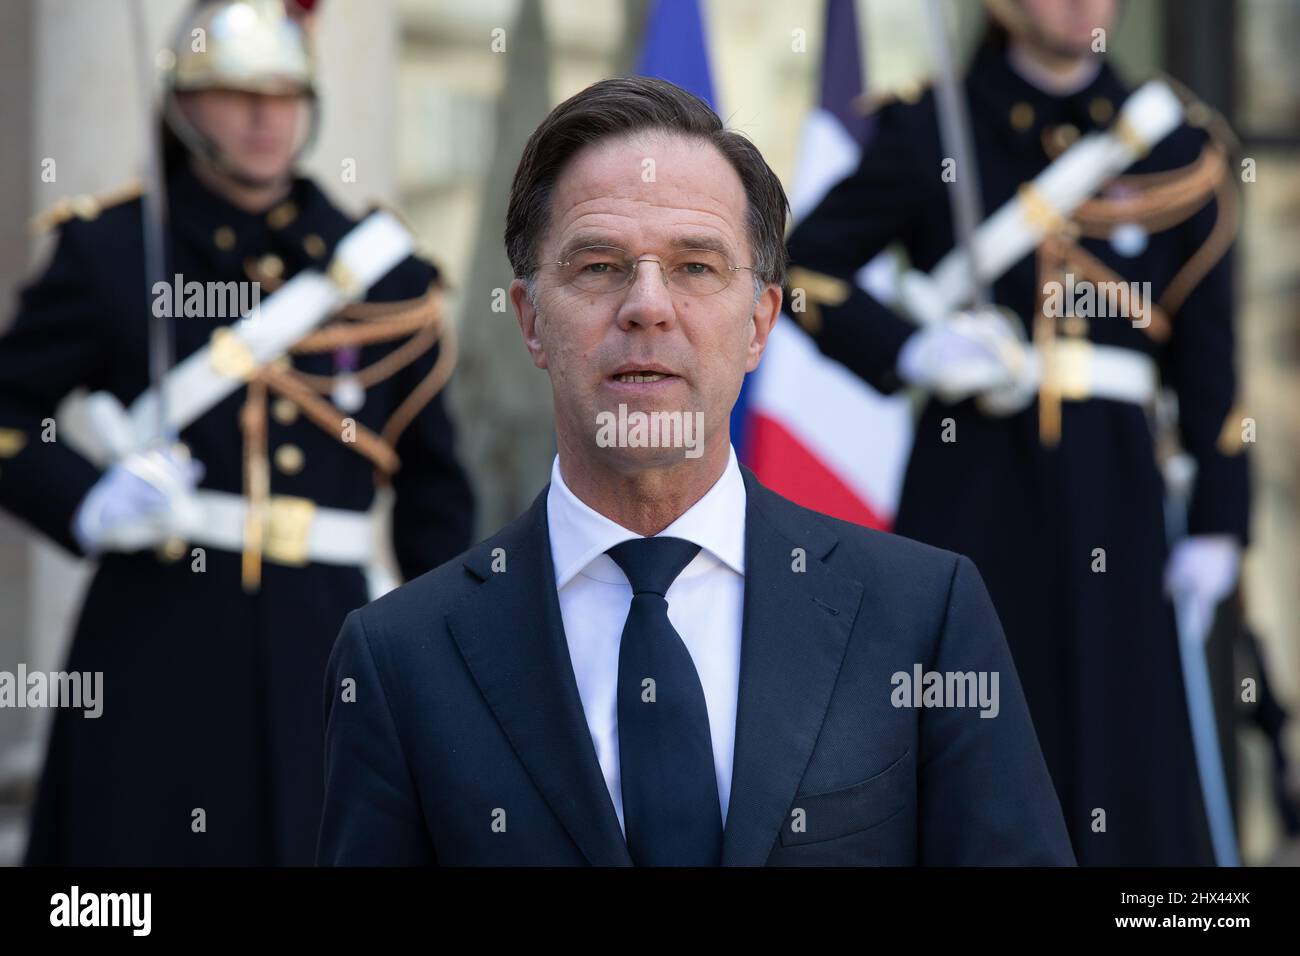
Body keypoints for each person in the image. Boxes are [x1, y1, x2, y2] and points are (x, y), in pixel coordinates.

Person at [316, 75, 1075, 867]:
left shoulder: (923, 619)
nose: (648, 306)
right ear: (531, 320)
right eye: (600, 266)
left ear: (760, 324)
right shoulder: (399, 658)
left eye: (695, 267)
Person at [1, 0, 473, 865]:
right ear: (185, 104)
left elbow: (433, 485)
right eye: (237, 94)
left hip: (331, 636)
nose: (266, 118)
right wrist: (87, 500)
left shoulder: (379, 270)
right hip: (155, 638)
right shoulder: (111, 250)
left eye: (286, 94)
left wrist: (447, 661)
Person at [784, 0, 1249, 865]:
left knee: (1130, 746)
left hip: (1119, 491)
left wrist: (1222, 520)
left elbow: (1211, 358)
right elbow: (803, 272)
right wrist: (914, 349)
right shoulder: (931, 124)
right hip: (977, 484)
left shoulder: (1177, 142)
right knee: (976, 724)